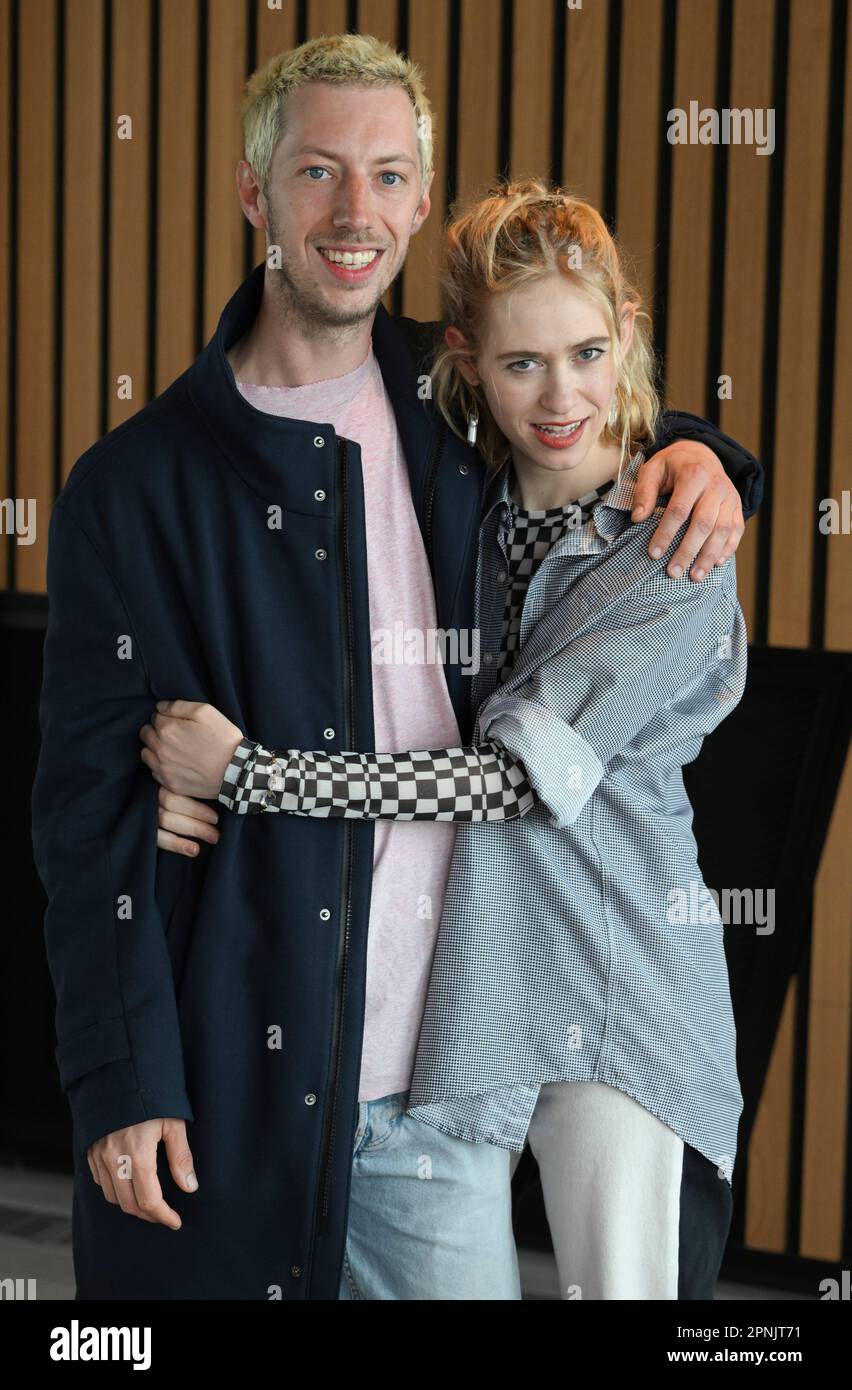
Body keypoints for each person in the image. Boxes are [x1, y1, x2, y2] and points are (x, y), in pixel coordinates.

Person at [32, 33, 762, 1301]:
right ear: (257, 192)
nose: (353, 211)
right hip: (235, 1077)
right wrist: (118, 1075)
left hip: (444, 1082)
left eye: (386, 175)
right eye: (318, 172)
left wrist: (707, 459)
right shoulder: (132, 487)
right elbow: (85, 815)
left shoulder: (455, 405)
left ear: (422, 200)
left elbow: (585, 412)